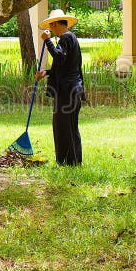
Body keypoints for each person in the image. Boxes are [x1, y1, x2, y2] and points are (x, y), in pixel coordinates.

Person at [36, 9, 84, 166]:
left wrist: (47, 41)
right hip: (69, 89)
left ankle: (72, 161)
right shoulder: (68, 38)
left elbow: (59, 57)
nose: (51, 29)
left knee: (67, 126)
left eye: (51, 25)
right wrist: (47, 72)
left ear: (56, 24)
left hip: (69, 91)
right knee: (61, 125)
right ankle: (63, 160)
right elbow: (65, 65)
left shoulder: (66, 37)